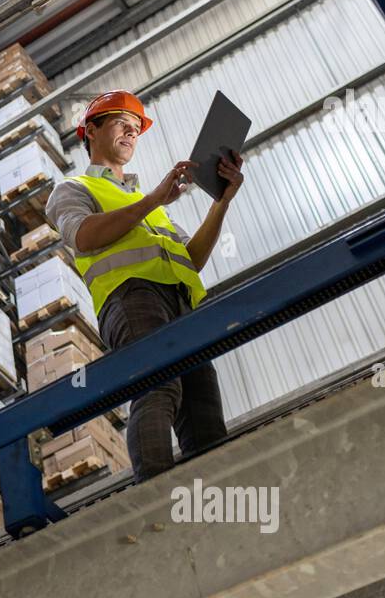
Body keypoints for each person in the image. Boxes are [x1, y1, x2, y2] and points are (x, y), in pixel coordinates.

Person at [44, 90, 246, 482]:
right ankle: (154, 493)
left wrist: (222, 201)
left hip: (182, 303)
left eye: (136, 129)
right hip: (132, 299)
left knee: (203, 409)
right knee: (158, 387)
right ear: (91, 131)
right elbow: (83, 236)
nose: (130, 133)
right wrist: (155, 199)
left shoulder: (143, 201)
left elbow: (192, 259)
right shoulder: (74, 188)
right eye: (121, 122)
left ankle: (216, 500)